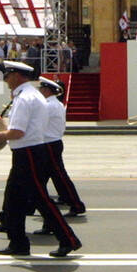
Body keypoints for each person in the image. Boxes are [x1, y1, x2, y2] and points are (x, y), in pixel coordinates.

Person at [0, 61, 81, 257]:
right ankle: (18, 243)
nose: (5, 78)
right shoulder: (31, 95)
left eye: (8, 74)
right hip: (29, 151)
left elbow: (18, 132)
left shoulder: (24, 99)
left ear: (17, 76)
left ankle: (68, 239)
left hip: (27, 153)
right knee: (14, 200)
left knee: (40, 199)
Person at [36, 77, 85, 222]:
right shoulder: (55, 104)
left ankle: (76, 205)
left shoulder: (48, 105)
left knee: (59, 177)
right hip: (52, 143)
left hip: (49, 144)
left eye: (41, 89)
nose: (39, 92)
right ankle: (31, 205)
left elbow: (37, 123)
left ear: (46, 90)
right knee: (42, 178)